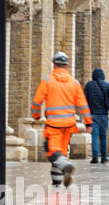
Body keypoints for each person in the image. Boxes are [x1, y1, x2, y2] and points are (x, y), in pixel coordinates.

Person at [30, 52, 92, 187]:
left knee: (52, 151)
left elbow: (36, 102)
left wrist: (36, 115)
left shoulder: (47, 81)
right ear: (67, 65)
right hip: (69, 125)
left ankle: (65, 167)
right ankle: (57, 184)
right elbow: (83, 104)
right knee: (61, 153)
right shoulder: (74, 83)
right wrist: (88, 122)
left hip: (53, 126)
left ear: (54, 64)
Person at [83, 68, 109, 165]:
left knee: (94, 136)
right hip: (103, 115)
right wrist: (107, 108)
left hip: (92, 114)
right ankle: (104, 157)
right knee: (103, 136)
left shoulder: (89, 85)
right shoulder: (107, 85)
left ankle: (95, 157)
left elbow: (84, 99)